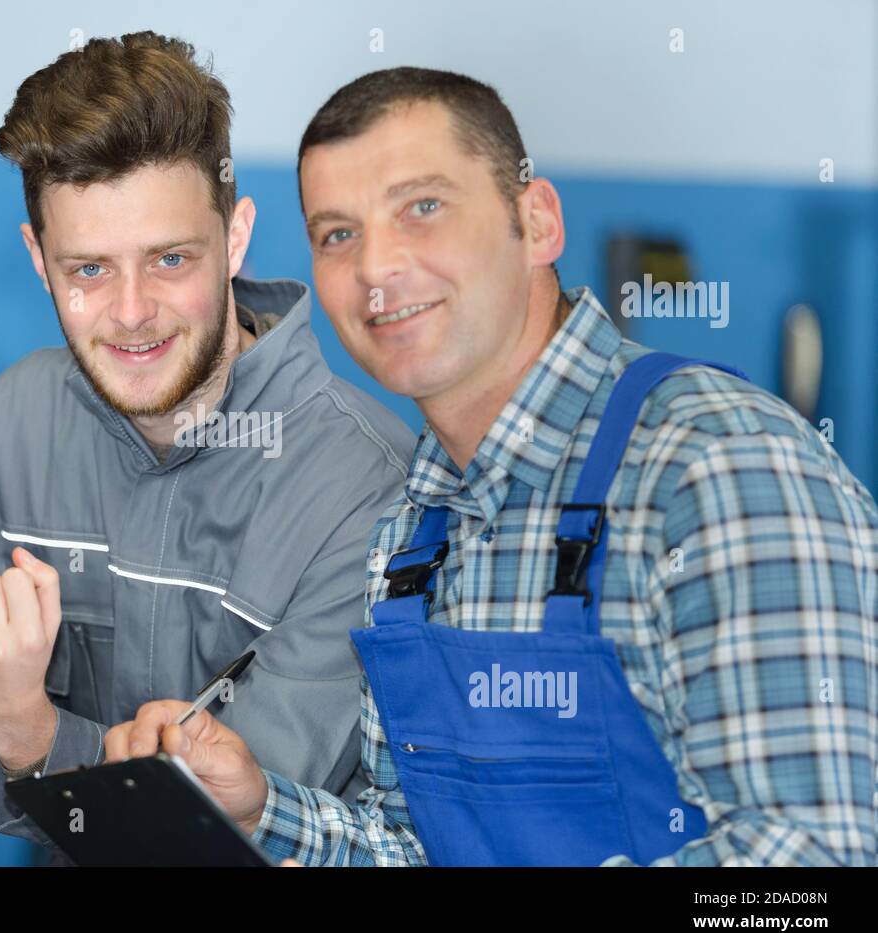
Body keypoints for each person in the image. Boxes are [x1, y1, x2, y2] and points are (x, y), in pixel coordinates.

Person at [104, 67, 878, 866]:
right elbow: (420, 848)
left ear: (537, 222)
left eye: (423, 208)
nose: (376, 267)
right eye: (339, 234)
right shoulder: (410, 538)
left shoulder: (715, 470)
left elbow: (810, 870)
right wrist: (260, 810)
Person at [0, 35, 415, 847]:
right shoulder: (15, 421)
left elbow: (226, 830)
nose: (130, 312)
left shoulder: (367, 484)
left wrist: (30, 741)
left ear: (235, 239)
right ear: (38, 261)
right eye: (87, 269)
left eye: (168, 259)